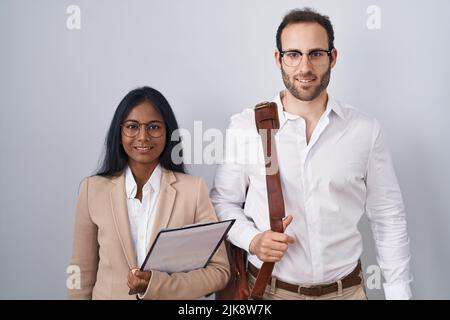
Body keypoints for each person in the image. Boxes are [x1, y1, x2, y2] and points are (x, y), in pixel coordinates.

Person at [210, 8, 412, 300]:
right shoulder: (244, 128)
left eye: (316, 53)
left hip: (347, 292)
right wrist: (252, 240)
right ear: (279, 59)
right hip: (269, 292)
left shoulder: (364, 130)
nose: (304, 67)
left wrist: (399, 294)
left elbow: (388, 216)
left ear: (333, 57)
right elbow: (222, 202)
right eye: (293, 54)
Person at [68, 86, 229, 299]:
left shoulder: (193, 190)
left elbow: (219, 272)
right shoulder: (92, 190)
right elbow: (80, 270)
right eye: (132, 127)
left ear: (168, 134)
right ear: (119, 133)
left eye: (154, 127)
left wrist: (156, 284)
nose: (143, 137)